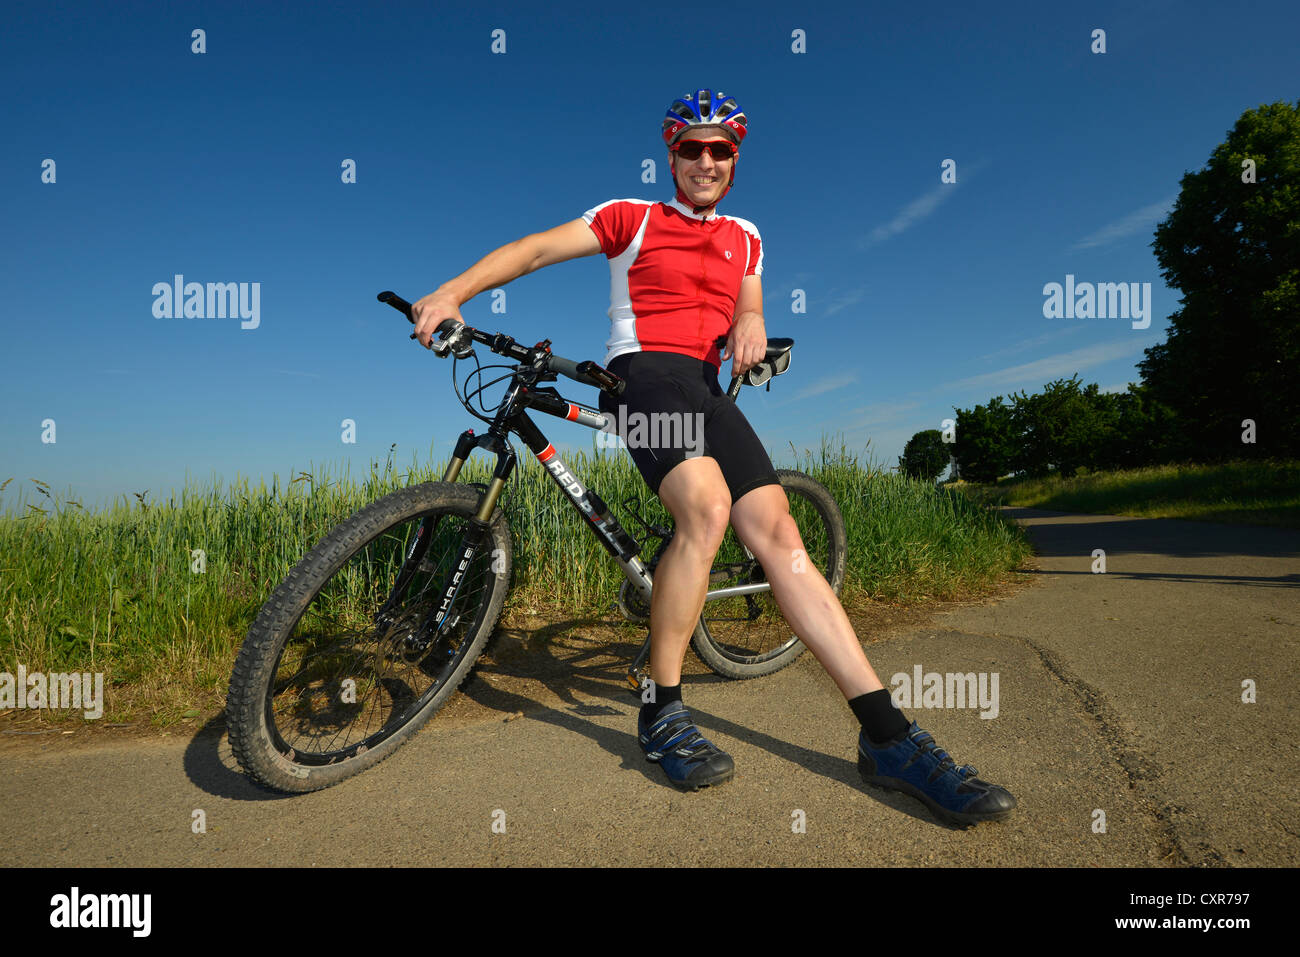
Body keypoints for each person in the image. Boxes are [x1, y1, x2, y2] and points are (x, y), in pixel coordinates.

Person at [412, 89, 1016, 826]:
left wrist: (751, 322)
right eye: (691, 148)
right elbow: (536, 250)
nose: (705, 160)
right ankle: (661, 707)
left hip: (707, 387)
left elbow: (748, 300)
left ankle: (887, 736)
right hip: (642, 378)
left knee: (780, 534)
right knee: (706, 507)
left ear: (735, 160)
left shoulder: (746, 236)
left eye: (720, 149)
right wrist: (452, 291)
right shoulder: (628, 218)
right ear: (670, 155)